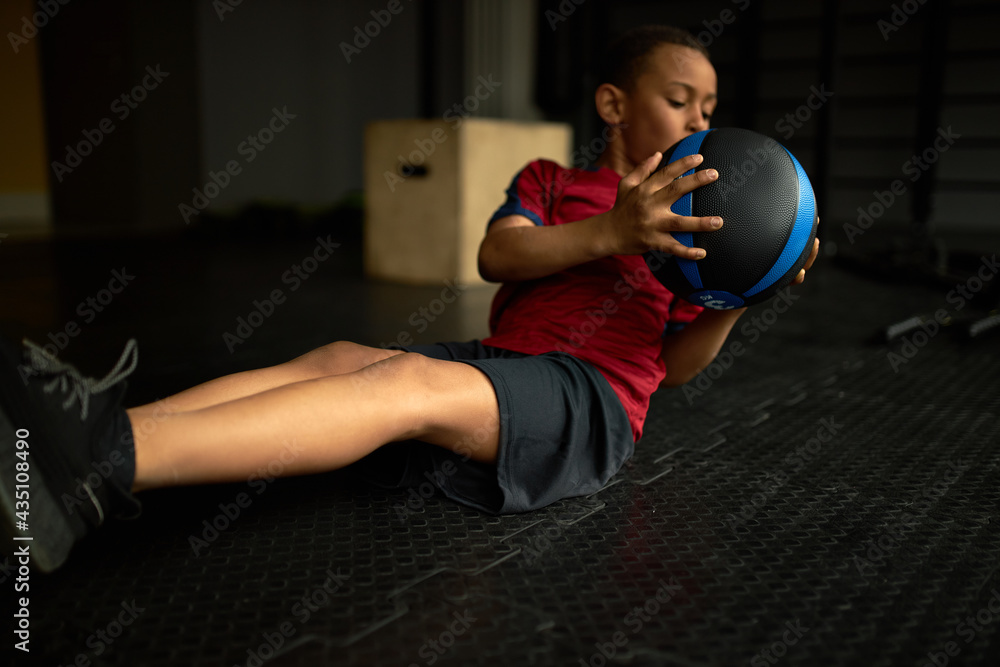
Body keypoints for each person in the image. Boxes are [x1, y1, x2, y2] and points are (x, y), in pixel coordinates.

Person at [1, 25, 819, 573]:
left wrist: (740, 295)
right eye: (680, 100)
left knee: (401, 384)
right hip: (503, 362)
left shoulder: (691, 233)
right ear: (613, 105)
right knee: (342, 357)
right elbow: (499, 255)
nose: (699, 118)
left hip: (591, 396)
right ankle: (101, 432)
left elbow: (675, 368)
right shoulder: (553, 181)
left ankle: (95, 467)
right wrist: (612, 229)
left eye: (708, 108)